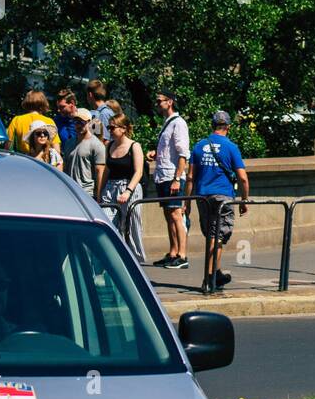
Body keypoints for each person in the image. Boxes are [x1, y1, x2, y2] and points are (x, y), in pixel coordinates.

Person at [187, 110, 250, 295]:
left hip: (202, 196)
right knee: (218, 236)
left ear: (212, 126)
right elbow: (243, 178)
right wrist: (244, 200)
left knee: (212, 236)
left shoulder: (199, 146)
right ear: (228, 127)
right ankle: (209, 279)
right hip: (223, 196)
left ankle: (216, 273)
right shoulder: (231, 147)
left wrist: (188, 202)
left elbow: (190, 176)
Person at [146, 90, 190, 269]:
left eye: (159, 101)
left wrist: (177, 178)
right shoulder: (167, 123)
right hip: (163, 175)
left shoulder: (178, 123)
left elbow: (183, 153)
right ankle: (173, 252)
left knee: (176, 214)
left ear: (169, 102)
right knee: (168, 214)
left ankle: (182, 254)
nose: (157, 104)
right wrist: (156, 154)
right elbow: (169, 149)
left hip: (172, 175)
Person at [103, 113, 146, 264]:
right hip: (110, 188)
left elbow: (138, 172)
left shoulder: (134, 146)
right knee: (106, 222)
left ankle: (134, 260)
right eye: (108, 127)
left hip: (129, 187)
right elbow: (106, 171)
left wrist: (128, 191)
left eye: (112, 127)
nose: (109, 130)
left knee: (130, 225)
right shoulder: (109, 146)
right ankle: (113, 258)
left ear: (123, 128)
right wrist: (99, 193)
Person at [65, 107, 106, 202]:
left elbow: (100, 172)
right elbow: (65, 168)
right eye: (76, 122)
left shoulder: (97, 145)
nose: (79, 125)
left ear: (90, 123)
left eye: (82, 122)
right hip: (70, 192)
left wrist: (99, 196)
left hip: (88, 194)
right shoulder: (69, 143)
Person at [6, 90, 62, 155]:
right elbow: (56, 148)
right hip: (43, 160)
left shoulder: (17, 120)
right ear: (44, 103)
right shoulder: (49, 121)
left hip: (23, 159)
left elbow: (8, 145)